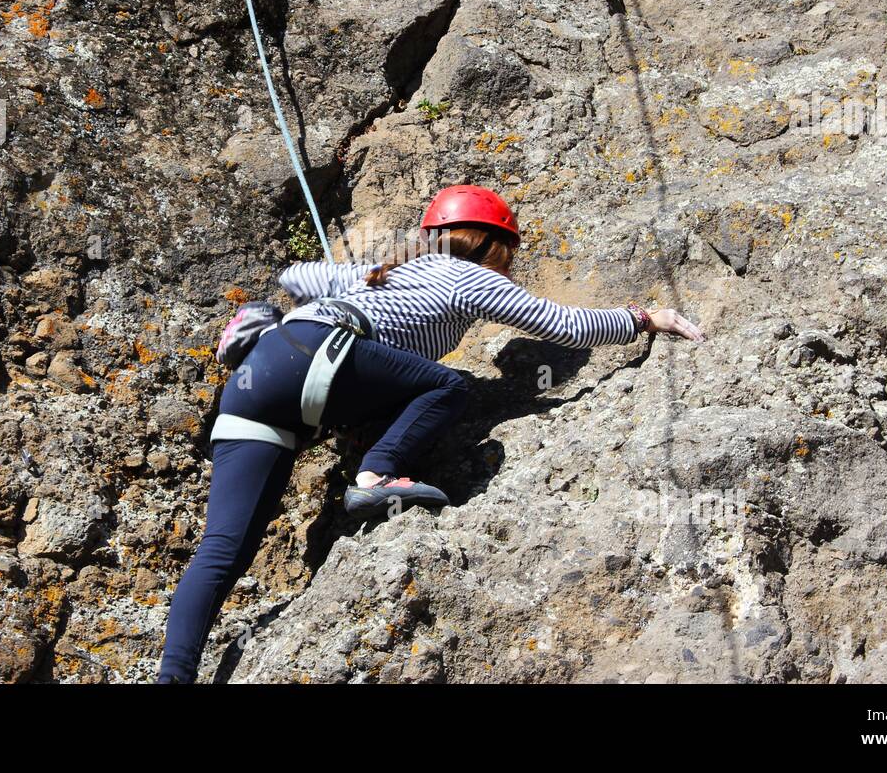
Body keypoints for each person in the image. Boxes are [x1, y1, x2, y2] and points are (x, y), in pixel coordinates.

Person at [156, 185, 705, 682]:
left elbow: (295, 276)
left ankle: (173, 677)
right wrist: (641, 318)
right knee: (448, 386)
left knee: (223, 550)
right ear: (491, 245)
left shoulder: (381, 274)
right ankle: (376, 472)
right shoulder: (471, 277)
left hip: (261, 383)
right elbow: (561, 325)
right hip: (324, 358)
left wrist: (357, 274)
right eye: (508, 254)